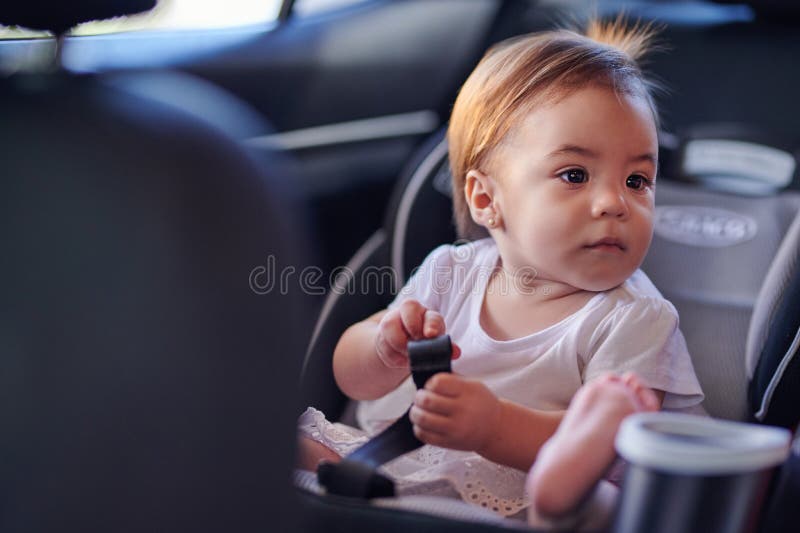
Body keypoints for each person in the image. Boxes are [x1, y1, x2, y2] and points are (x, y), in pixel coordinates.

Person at [297, 17, 705, 523]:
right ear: (487, 200)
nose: (614, 203)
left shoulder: (635, 317)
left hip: (527, 490)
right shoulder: (451, 271)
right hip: (397, 465)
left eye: (638, 180)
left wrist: (493, 427)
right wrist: (383, 348)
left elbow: (631, 453)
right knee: (285, 446)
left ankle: (574, 472)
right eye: (575, 175)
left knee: (598, 501)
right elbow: (354, 382)